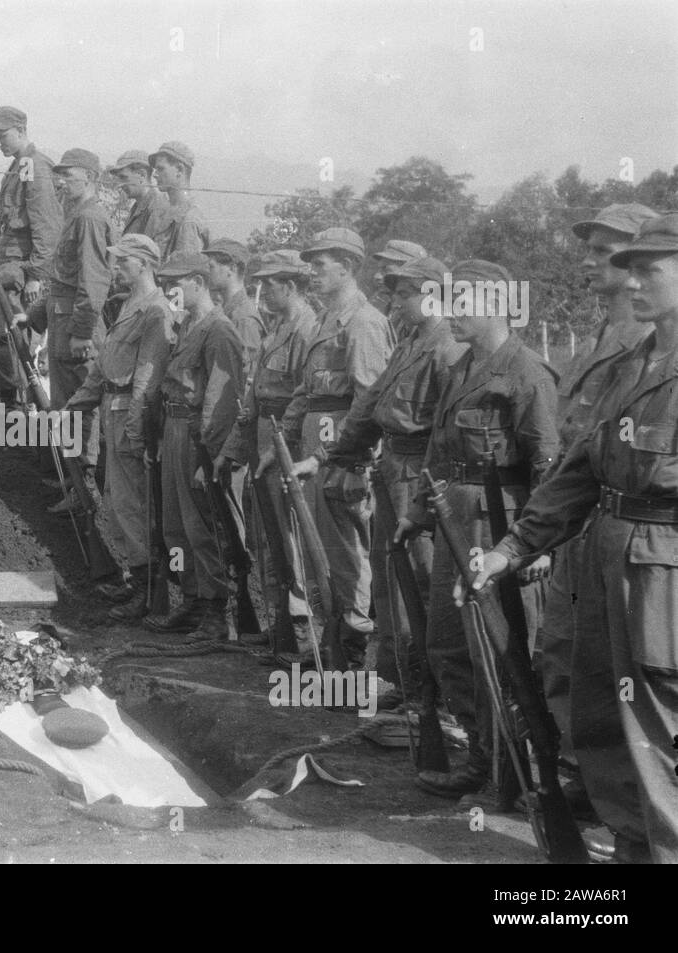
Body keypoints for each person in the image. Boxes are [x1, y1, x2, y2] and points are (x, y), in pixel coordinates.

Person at [471, 214, 678, 863]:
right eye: (631, 264)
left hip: (664, 569)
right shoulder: (636, 360)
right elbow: (581, 468)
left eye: (652, 267)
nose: (632, 278)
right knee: (600, 722)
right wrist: (511, 548)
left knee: (660, 733)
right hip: (612, 557)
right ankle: (633, 850)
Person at [395, 259, 559, 803]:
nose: (450, 310)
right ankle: (482, 754)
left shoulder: (527, 370)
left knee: (501, 647)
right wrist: (418, 511)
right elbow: (438, 449)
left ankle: (515, 770)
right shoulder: (461, 366)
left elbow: (546, 464)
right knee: (447, 646)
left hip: (500, 520)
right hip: (454, 519)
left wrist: (535, 546)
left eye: (461, 299)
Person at [529, 204, 656, 827]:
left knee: (638, 681)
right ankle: (593, 788)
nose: (587, 262)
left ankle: (636, 811)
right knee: (567, 660)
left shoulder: (649, 342)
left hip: (639, 537)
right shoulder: (604, 336)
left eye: (604, 252)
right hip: (584, 525)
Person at [290, 256, 464, 695]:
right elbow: (370, 407)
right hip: (392, 468)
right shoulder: (410, 342)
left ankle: (433, 693)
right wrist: (327, 456)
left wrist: (431, 488)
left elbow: (449, 431)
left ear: (432, 294)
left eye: (405, 294)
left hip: (421, 473)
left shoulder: (447, 348)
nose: (397, 304)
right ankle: (395, 678)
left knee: (422, 582)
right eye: (395, 295)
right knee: (390, 581)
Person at [260, 227, 393, 668]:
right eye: (311, 264)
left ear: (349, 266)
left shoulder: (363, 321)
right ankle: (331, 653)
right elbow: (305, 390)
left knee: (346, 559)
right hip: (319, 449)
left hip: (343, 456)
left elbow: (368, 401)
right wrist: (287, 442)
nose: (311, 272)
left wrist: (333, 460)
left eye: (320, 264)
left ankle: (350, 662)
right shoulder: (325, 319)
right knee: (321, 557)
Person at [63, 234, 174, 620]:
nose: (116, 267)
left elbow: (146, 374)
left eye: (123, 261)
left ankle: (148, 591)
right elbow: (105, 367)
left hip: (129, 410)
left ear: (143, 263)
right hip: (113, 406)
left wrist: (136, 427)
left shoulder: (155, 311)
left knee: (133, 505)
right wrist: (73, 405)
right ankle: (136, 580)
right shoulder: (130, 305)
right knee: (117, 502)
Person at [217, 250, 320, 650]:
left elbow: (305, 395)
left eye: (270, 284)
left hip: (286, 444)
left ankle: (301, 632)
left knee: (292, 537)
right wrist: (235, 448)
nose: (263, 292)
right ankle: (280, 626)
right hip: (263, 438)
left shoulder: (307, 331)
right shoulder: (276, 329)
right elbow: (253, 398)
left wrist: (281, 446)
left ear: (290, 286)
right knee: (268, 539)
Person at [144, 252, 243, 640]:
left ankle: (216, 611)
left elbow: (223, 398)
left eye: (178, 284)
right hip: (172, 429)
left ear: (199, 284)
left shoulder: (219, 330)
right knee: (175, 528)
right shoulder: (188, 326)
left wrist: (211, 454)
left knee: (201, 526)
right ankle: (191, 598)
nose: (171, 291)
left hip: (194, 434)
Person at [34, 148, 113, 514]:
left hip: (77, 332)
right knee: (67, 408)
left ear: (91, 178)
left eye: (69, 174)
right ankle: (74, 481)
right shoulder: (75, 216)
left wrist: (82, 331)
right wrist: (33, 316)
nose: (60, 180)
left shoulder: (91, 218)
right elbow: (60, 280)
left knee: (81, 411)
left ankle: (86, 493)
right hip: (63, 326)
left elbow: (93, 280)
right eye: (59, 174)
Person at [0, 106, 62, 307]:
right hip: (8, 266)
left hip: (24, 271)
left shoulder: (34, 164)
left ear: (21, 130)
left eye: (2, 136)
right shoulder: (18, 164)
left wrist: (35, 277)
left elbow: (46, 226)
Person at [205, 238, 264, 384]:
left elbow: (246, 379)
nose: (207, 273)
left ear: (232, 268)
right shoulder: (227, 311)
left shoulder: (244, 318)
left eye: (211, 267)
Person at [108, 150, 173, 256]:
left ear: (142, 175)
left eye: (124, 178)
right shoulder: (138, 206)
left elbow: (151, 256)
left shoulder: (157, 208)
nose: (120, 184)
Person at [150, 142, 208, 255]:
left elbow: (186, 269)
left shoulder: (189, 219)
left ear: (179, 170)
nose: (155, 174)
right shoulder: (166, 212)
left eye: (161, 169)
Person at [370, 239, 428, 330]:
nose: (377, 276)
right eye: (379, 269)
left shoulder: (419, 314)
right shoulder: (385, 305)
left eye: (386, 270)